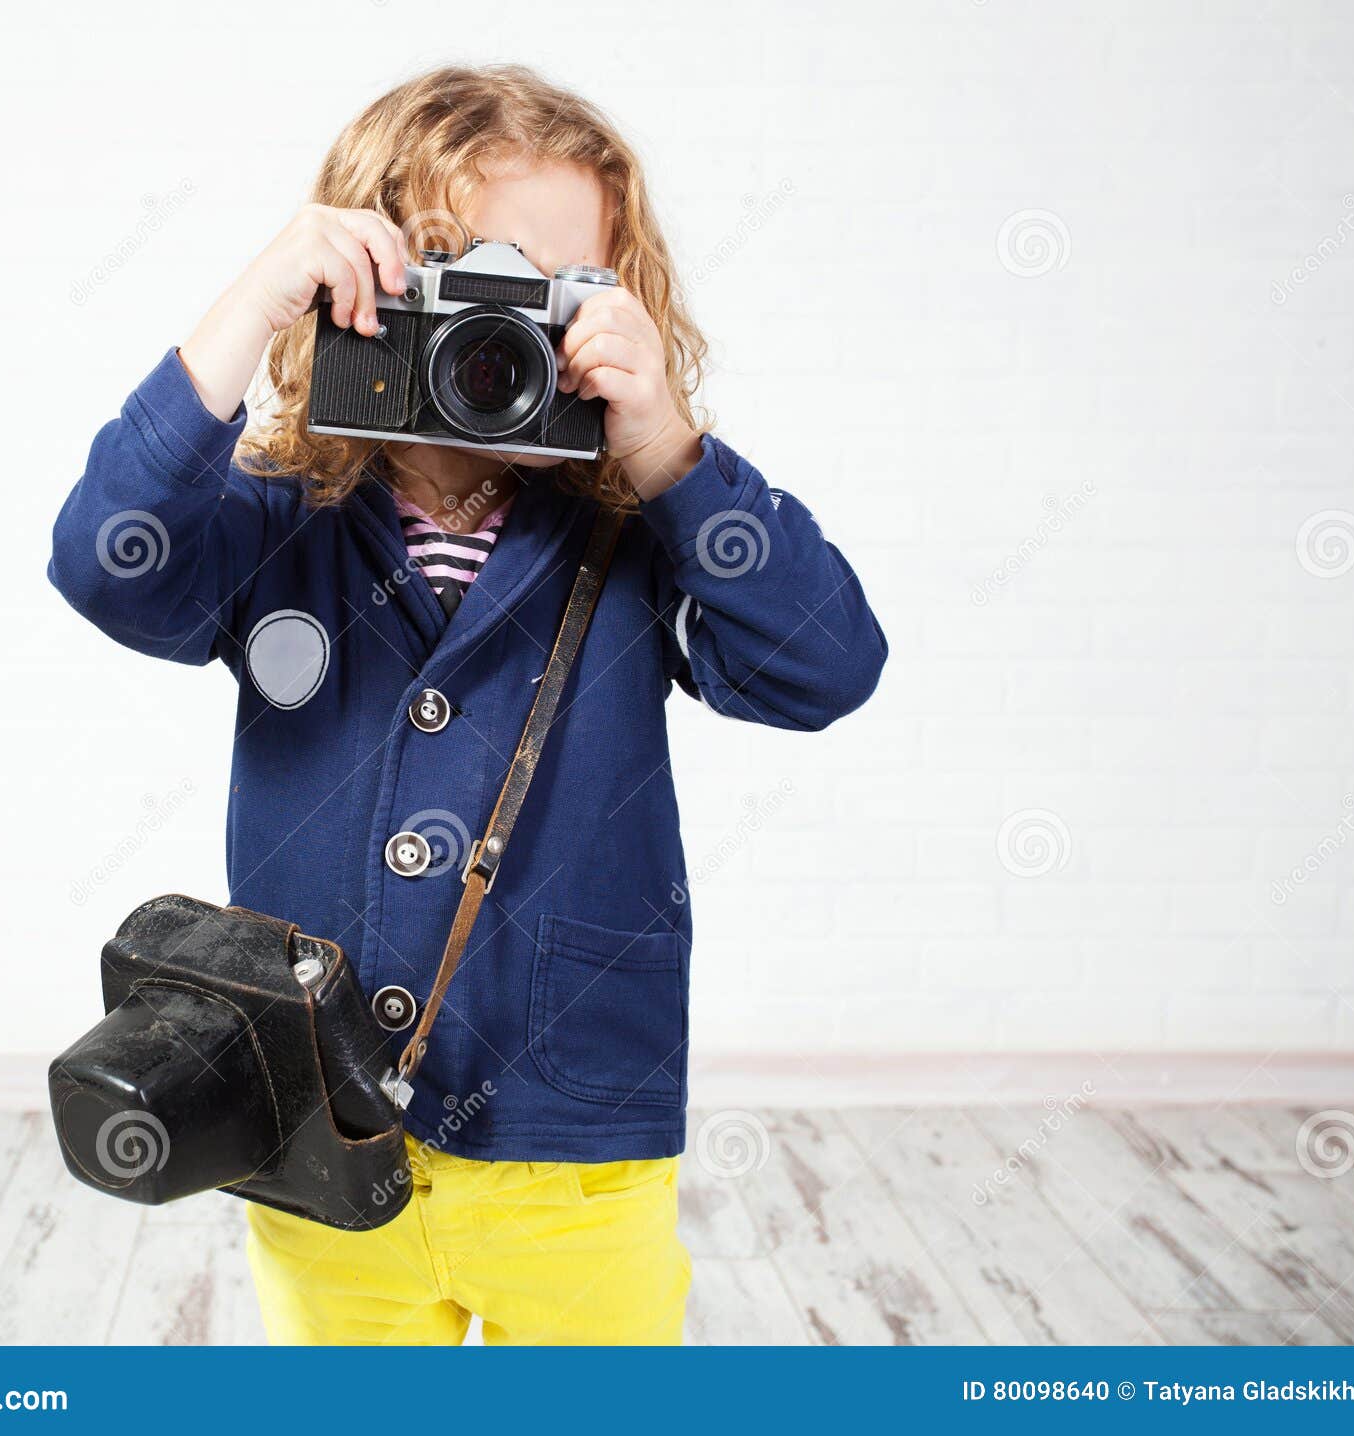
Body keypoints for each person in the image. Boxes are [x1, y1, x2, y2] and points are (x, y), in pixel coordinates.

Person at [48, 64, 887, 1345]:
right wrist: (250, 301)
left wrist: (665, 446)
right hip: (323, 1124)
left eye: (554, 289)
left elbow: (826, 665)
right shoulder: (282, 519)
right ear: (361, 268)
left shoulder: (636, 524)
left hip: (570, 1120)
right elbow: (106, 558)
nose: (495, 326)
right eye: (454, 269)